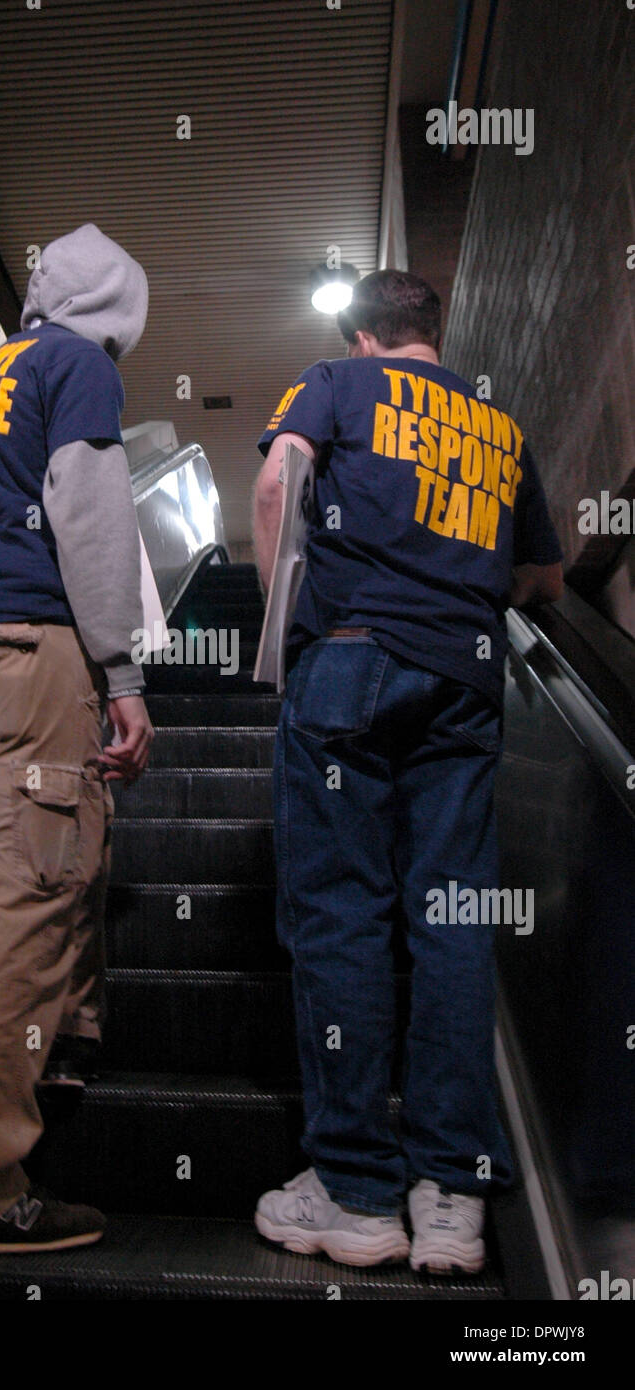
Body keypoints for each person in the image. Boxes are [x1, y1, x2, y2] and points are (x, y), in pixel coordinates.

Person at [251, 269, 563, 1274]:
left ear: (363, 332)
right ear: (436, 331)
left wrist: (282, 638)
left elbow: (274, 482)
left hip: (350, 654)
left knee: (343, 910)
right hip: (464, 681)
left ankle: (352, 1189)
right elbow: (545, 578)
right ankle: (452, 1199)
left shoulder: (338, 380)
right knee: (455, 921)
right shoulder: (494, 421)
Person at [0, 224, 154, 1257]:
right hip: (36, 645)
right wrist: (124, 673)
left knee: (52, 859)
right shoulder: (78, 369)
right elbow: (91, 519)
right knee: (35, 893)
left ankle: (59, 1046)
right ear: (114, 310)